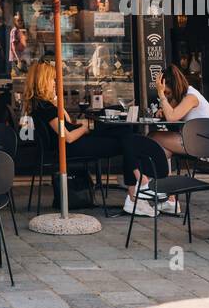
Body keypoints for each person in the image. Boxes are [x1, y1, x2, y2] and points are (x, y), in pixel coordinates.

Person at [24, 59, 179, 217]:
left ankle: (136, 193)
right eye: (53, 79)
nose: (55, 83)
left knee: (125, 135)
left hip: (76, 144)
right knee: (127, 139)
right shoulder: (47, 109)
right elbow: (68, 137)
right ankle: (138, 191)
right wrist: (85, 127)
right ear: (43, 81)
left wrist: (59, 105)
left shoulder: (44, 106)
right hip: (72, 147)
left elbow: (68, 124)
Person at [147, 65, 209, 166]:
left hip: (203, 142)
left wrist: (160, 94)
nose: (166, 95)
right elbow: (170, 112)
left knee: (153, 136)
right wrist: (162, 110)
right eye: (164, 93)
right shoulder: (180, 96)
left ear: (175, 87)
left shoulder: (191, 96)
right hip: (192, 138)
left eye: (167, 92)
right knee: (162, 149)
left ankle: (145, 177)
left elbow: (171, 117)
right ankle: (149, 177)